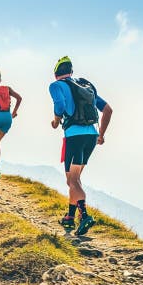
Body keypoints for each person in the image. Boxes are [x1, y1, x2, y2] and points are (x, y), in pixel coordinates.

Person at [49, 56, 113, 236]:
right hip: (91, 136)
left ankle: (84, 216)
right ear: (71, 71)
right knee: (74, 179)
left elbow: (60, 105)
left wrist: (55, 121)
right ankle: (69, 218)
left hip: (74, 137)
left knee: (72, 180)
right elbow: (108, 109)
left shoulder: (56, 86)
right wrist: (101, 135)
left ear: (56, 73)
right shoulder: (85, 85)